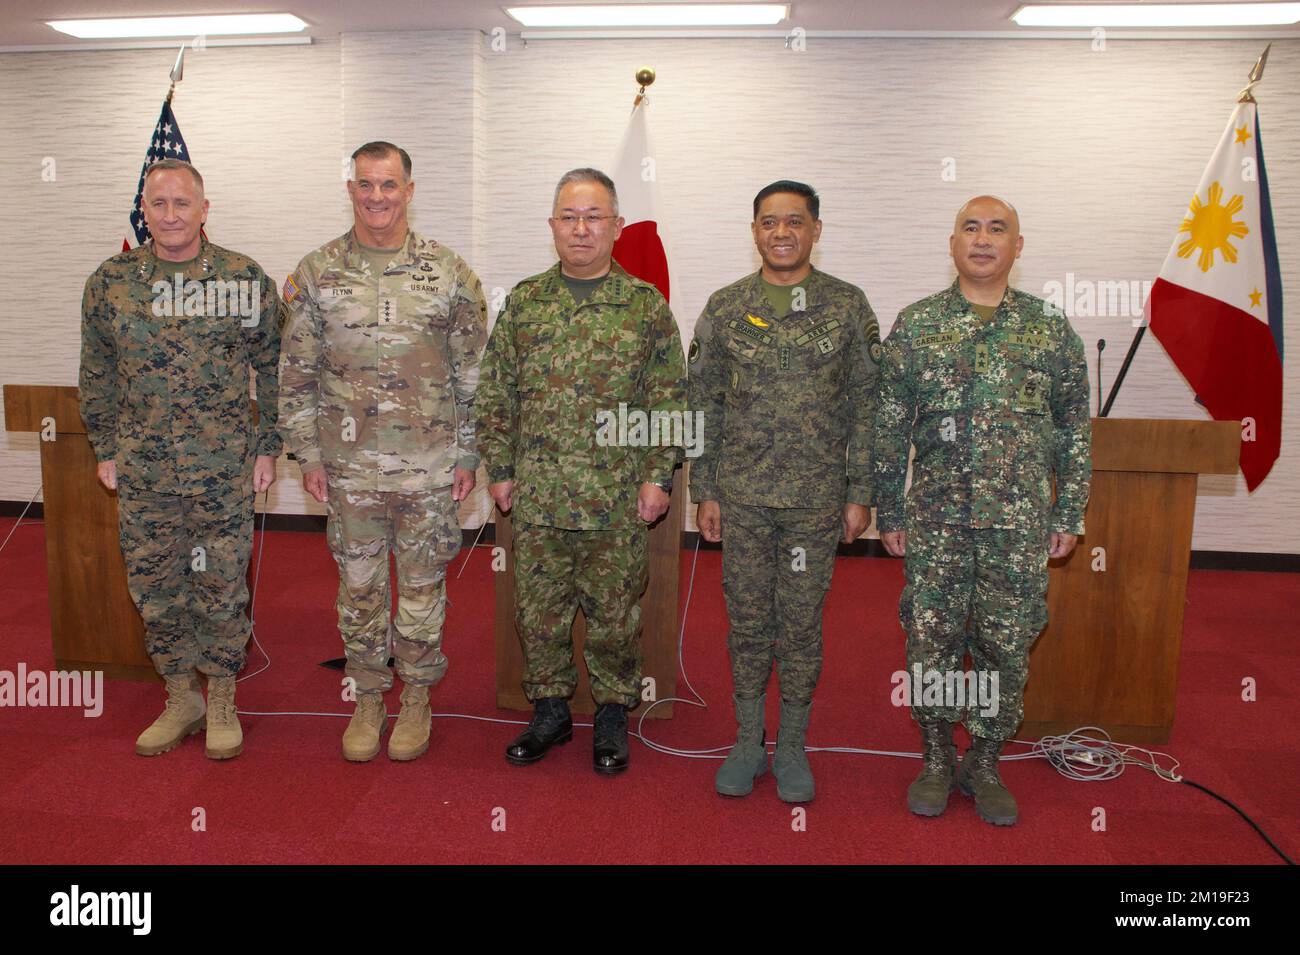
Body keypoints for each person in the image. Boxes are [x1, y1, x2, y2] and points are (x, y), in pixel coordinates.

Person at [874, 195, 1092, 825]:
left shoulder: (1049, 329)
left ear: (1017, 247)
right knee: (932, 642)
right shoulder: (917, 325)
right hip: (937, 523)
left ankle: (987, 759)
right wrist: (891, 510)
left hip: (1018, 527)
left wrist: (1068, 512)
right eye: (971, 228)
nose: (983, 239)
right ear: (952, 243)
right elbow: (891, 429)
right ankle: (939, 756)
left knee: (1006, 645)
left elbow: (1074, 428)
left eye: (998, 229)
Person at [279, 141, 487, 762]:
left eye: (389, 185)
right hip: (349, 472)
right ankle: (368, 694)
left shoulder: (448, 272)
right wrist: (307, 455)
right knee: (360, 588)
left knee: (423, 590)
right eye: (366, 185)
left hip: (429, 469)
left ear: (409, 189)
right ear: (350, 190)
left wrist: (470, 456)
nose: (377, 197)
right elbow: (297, 372)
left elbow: (476, 374)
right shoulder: (317, 273)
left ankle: (417, 697)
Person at [476, 167, 687, 775]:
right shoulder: (525, 302)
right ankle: (550, 710)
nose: (581, 228)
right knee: (538, 611)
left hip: (616, 498)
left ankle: (614, 714)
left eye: (594, 216)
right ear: (552, 227)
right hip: (539, 493)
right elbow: (496, 392)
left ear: (618, 227)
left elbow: (668, 399)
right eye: (569, 217)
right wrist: (500, 465)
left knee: (616, 611)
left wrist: (657, 475)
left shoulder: (645, 307)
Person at [79, 158, 283, 760]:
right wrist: (105, 447)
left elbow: (272, 367)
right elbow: (97, 371)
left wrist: (270, 445)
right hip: (143, 470)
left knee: (220, 586)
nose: (170, 215)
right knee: (156, 586)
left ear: (204, 209)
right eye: (158, 204)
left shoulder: (242, 279)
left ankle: (220, 695)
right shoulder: (112, 281)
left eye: (182, 204)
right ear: (143, 210)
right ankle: (179, 695)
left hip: (222, 469)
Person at [687, 180, 880, 803]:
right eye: (769, 222)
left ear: (816, 230)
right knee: (745, 621)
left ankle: (792, 745)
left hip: (815, 501)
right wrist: (705, 486)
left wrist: (860, 490)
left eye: (795, 221)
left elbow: (866, 407)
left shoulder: (848, 307)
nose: (782, 233)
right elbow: (703, 404)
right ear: (754, 232)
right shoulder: (724, 307)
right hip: (741, 497)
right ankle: (748, 741)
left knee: (799, 625)